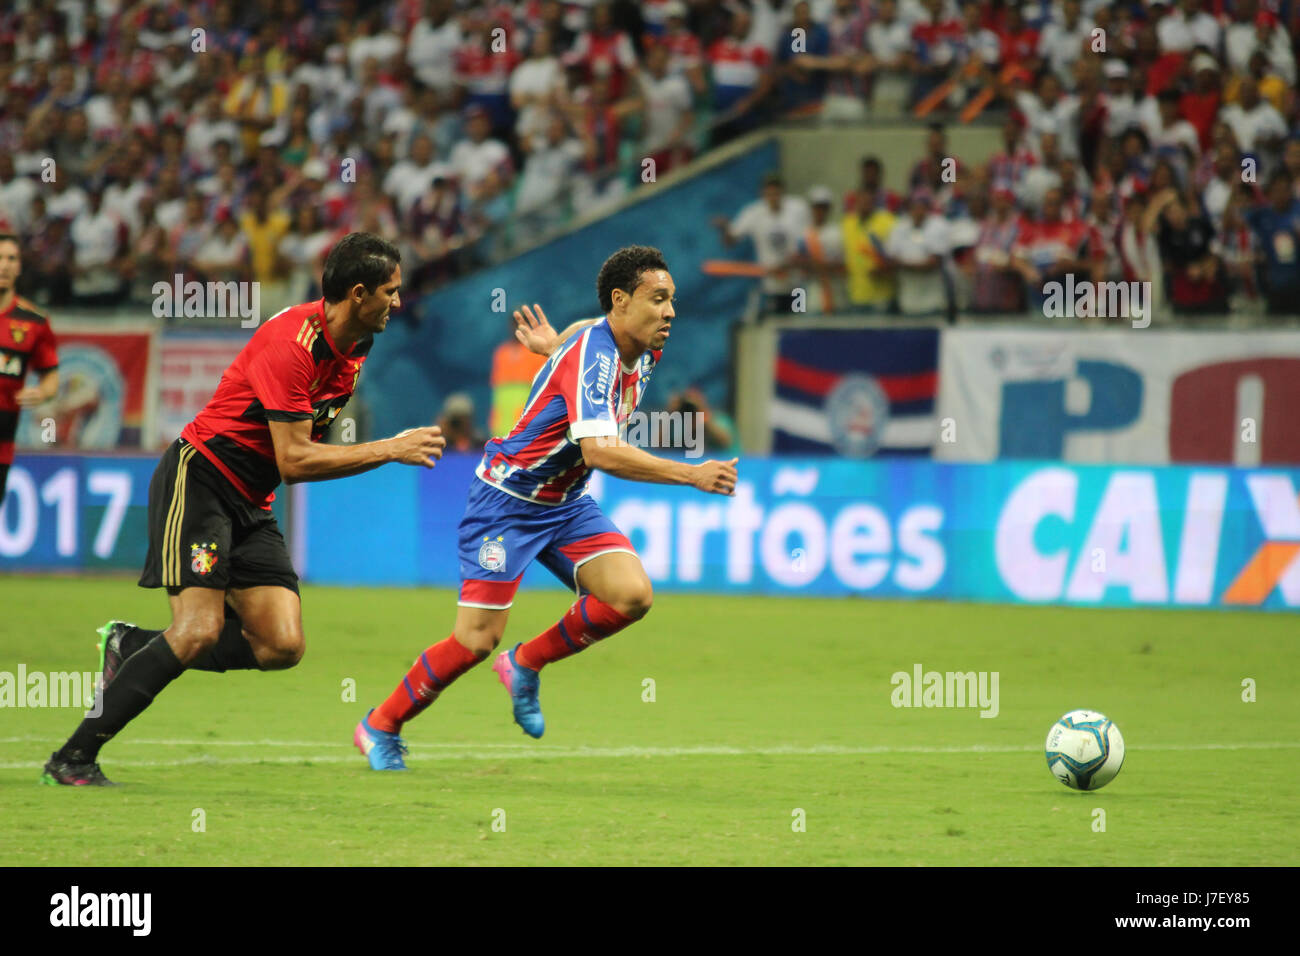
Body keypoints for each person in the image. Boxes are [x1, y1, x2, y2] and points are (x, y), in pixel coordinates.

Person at [40, 233, 449, 786]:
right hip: (203, 478)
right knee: (198, 630)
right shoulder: (292, 344)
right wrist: (390, 448)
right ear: (358, 293)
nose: (399, 303)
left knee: (281, 644)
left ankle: (133, 645)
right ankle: (72, 758)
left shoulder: (355, 345)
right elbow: (295, 460)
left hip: (249, 502)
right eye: (391, 291)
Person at [355, 246, 739, 769]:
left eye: (672, 300)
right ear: (621, 301)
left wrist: (554, 345)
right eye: (659, 299)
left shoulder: (639, 344)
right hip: (506, 502)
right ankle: (379, 724)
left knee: (631, 596)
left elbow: (587, 328)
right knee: (474, 641)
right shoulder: (596, 355)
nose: (671, 311)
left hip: (563, 503)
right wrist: (690, 473)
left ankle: (526, 662)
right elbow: (600, 450)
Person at [0, 235, 60, 499]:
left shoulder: (33, 322)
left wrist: (43, 392)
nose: (4, 265)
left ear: (19, 266)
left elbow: (51, 376)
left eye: (11, 259)